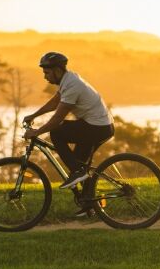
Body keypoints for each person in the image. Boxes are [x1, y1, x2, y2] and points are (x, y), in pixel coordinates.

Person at [22, 52, 115, 217]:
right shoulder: (68, 80)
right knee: (80, 163)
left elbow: (58, 118)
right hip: (96, 125)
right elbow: (55, 102)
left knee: (57, 132)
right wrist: (33, 115)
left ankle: (79, 173)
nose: (45, 77)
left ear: (57, 70)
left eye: (47, 72)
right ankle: (89, 205)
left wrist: (37, 132)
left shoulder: (72, 85)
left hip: (97, 127)